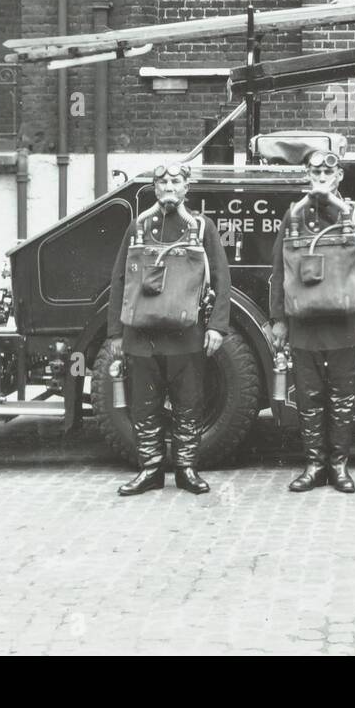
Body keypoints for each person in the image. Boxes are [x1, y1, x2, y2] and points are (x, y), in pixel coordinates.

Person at [107, 162, 231, 496]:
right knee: (144, 407)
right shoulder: (137, 228)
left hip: (186, 337)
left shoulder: (202, 229)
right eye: (162, 183)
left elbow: (221, 278)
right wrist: (116, 333)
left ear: (187, 187)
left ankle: (187, 469)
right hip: (142, 339)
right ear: (154, 189)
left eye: (176, 182)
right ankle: (149, 469)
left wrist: (217, 327)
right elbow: (119, 281)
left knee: (188, 404)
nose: (169, 188)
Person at [270, 148, 355, 494]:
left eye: (327, 175)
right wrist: (278, 319)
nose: (321, 180)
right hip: (303, 325)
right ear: (308, 176)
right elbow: (279, 271)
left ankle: (339, 466)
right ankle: (314, 465)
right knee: (308, 397)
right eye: (315, 174)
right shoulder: (293, 216)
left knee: (342, 397)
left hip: (344, 325)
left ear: (339, 177)